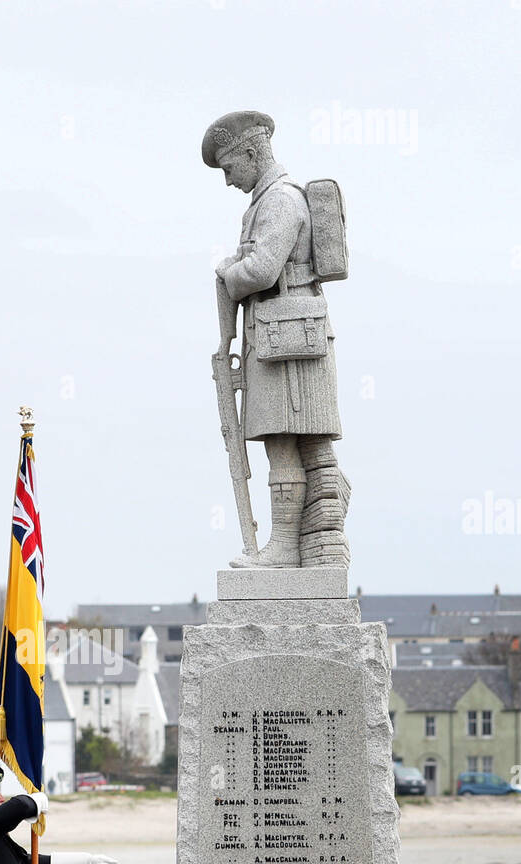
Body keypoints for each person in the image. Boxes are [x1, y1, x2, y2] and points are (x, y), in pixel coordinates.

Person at [202, 109, 348, 569]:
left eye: (229, 168)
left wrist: (228, 271)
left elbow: (262, 270)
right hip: (279, 337)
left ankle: (288, 546)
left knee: (286, 444)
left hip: (288, 342)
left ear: (250, 152)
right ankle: (305, 544)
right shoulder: (265, 202)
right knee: (290, 445)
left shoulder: (281, 200)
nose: (228, 181)